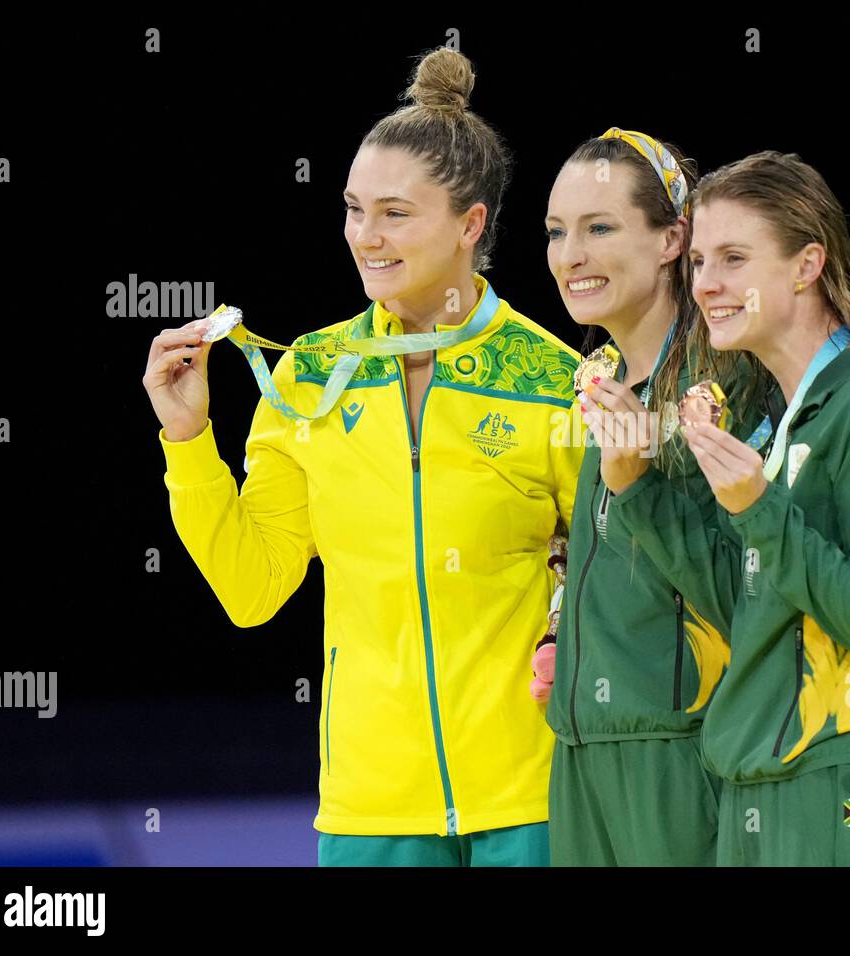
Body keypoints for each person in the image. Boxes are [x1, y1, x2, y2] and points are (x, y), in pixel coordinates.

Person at [142, 48, 583, 867]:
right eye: (352, 210)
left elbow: (612, 574)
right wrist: (188, 443)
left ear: (470, 225)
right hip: (369, 810)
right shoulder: (307, 376)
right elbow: (251, 587)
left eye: (394, 214)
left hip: (535, 799)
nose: (365, 238)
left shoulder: (553, 380)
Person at [582, 151, 850, 866]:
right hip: (756, 792)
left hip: (849, 794)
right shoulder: (774, 419)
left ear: (806, 263)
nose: (707, 285)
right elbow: (744, 608)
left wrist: (759, 510)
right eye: (698, 262)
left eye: (733, 258)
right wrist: (635, 486)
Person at [537, 128, 772, 865]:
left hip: (682, 758)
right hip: (580, 752)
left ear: (673, 238)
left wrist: (636, 483)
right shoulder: (598, 376)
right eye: (556, 232)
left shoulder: (728, 382)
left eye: (599, 228)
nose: (569, 254)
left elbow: (750, 592)